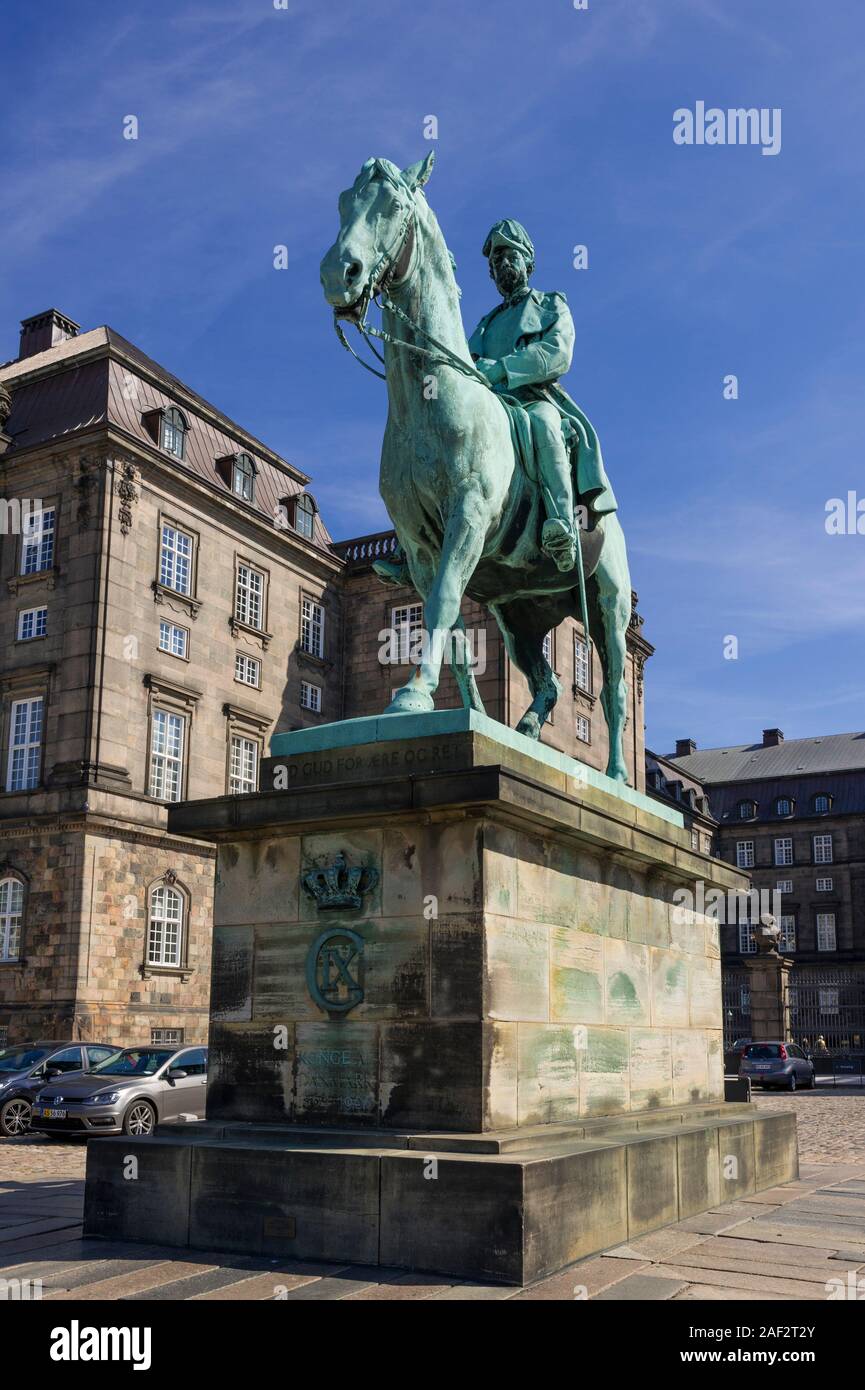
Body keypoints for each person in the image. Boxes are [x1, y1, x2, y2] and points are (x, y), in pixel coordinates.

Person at [468, 219, 616, 570]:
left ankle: (562, 523)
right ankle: (420, 543)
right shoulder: (484, 324)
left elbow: (557, 353)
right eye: (495, 260)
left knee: (545, 426)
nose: (502, 263)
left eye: (510, 255)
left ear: (528, 263)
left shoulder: (551, 305)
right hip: (491, 405)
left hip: (534, 398)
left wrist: (503, 368)